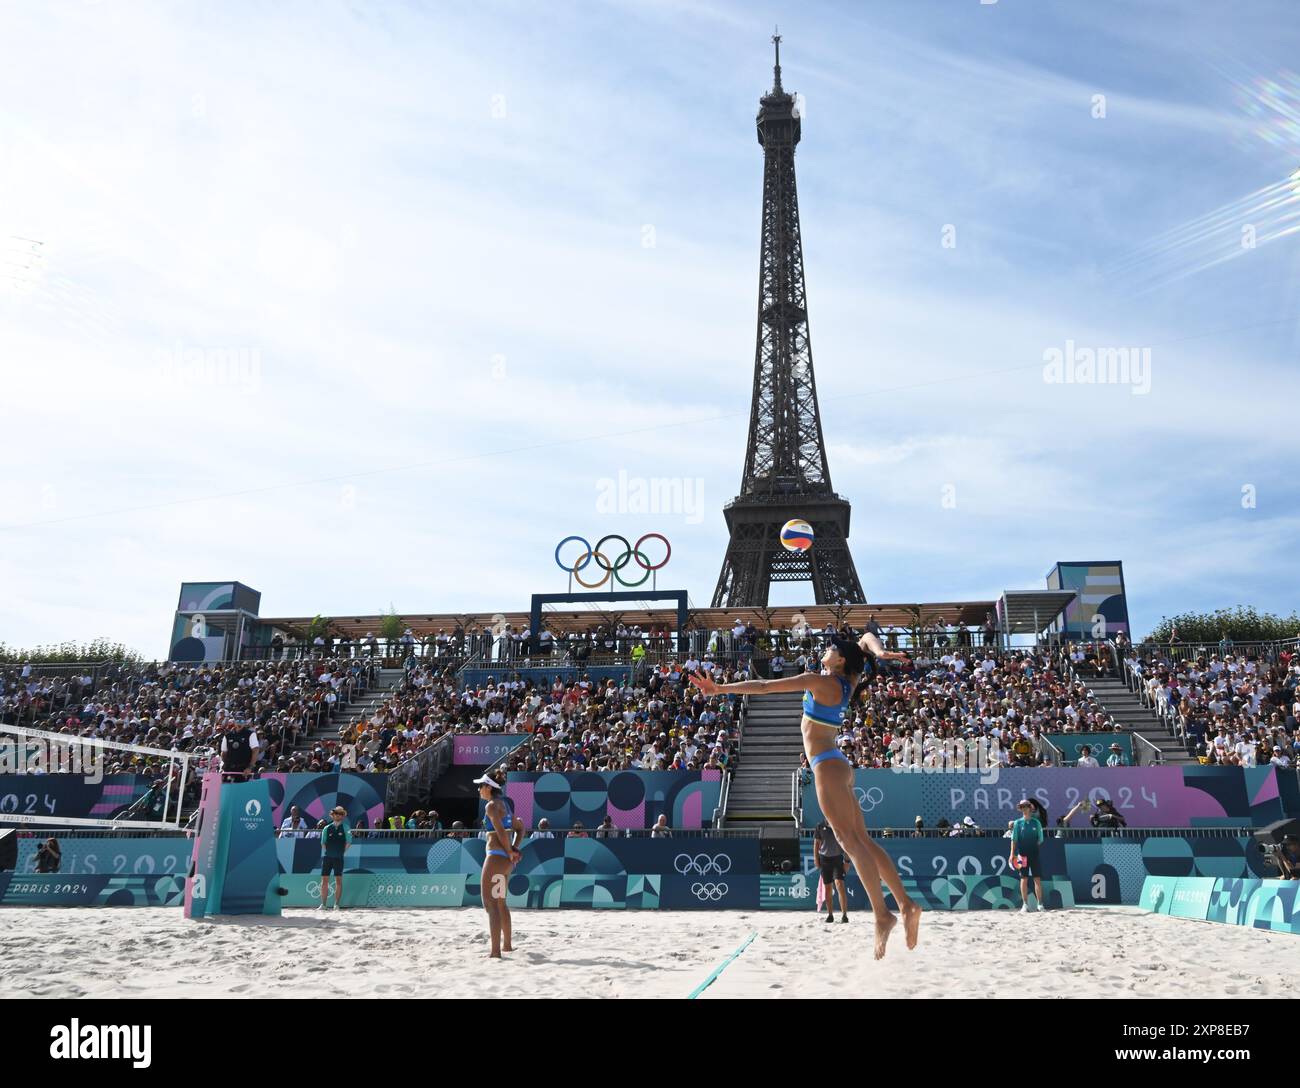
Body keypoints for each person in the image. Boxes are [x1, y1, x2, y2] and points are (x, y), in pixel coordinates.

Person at [690, 635, 921, 959]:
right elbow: (865, 639)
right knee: (863, 841)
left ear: (840, 659)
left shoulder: (820, 681)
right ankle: (906, 904)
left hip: (826, 766)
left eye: (831, 649)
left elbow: (765, 687)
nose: (825, 651)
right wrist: (881, 652)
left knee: (851, 844)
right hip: (838, 764)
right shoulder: (848, 680)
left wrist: (720, 690)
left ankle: (883, 915)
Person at [475, 774, 521, 959]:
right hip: (505, 861)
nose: (478, 790)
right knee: (501, 903)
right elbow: (521, 827)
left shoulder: (491, 805)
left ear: (488, 787)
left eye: (480, 786)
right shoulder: (505, 805)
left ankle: (495, 952)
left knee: (490, 905)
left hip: (496, 857)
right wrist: (515, 848)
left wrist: (511, 850)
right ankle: (507, 945)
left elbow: (501, 832)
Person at [1010, 799, 1046, 912]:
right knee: (1023, 879)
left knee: (1037, 879)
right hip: (1022, 856)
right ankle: (1025, 904)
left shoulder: (1036, 823)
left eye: (1026, 806)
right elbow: (1014, 839)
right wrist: (1012, 854)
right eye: (1022, 807)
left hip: (1034, 855)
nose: (1024, 809)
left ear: (1030, 808)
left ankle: (1040, 904)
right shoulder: (1017, 823)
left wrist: (1032, 847)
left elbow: (1040, 839)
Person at [813, 819, 851, 924]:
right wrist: (816, 859)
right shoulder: (820, 826)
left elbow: (846, 844)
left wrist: (847, 861)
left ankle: (844, 915)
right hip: (824, 860)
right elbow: (816, 844)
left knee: (840, 885)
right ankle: (830, 915)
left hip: (837, 859)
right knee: (828, 888)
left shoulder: (840, 825)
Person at [319, 805, 352, 911]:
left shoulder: (346, 827)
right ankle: (323, 905)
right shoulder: (326, 828)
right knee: (324, 880)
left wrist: (341, 852)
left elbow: (349, 842)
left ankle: (336, 904)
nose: (338, 815)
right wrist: (327, 853)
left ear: (342, 816)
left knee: (338, 880)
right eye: (336, 813)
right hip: (327, 857)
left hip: (338, 857)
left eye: (340, 814)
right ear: (332, 815)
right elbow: (323, 842)